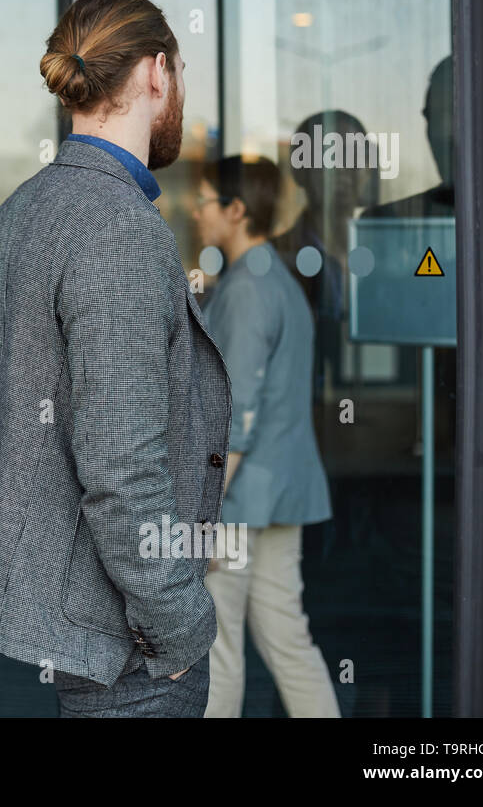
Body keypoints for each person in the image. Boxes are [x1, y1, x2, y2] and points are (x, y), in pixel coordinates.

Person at [0, 0, 231, 717]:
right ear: (155, 73)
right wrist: (179, 628)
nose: (178, 91)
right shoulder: (116, 227)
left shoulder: (23, 210)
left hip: (75, 622)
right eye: (178, 74)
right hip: (127, 647)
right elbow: (120, 465)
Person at [192, 156, 339, 718]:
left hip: (240, 500)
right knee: (288, 643)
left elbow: (238, 415)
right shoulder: (275, 278)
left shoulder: (249, 289)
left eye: (205, 201)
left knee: (219, 650)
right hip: (281, 493)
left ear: (236, 210)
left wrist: (203, 513)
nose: (196, 213)